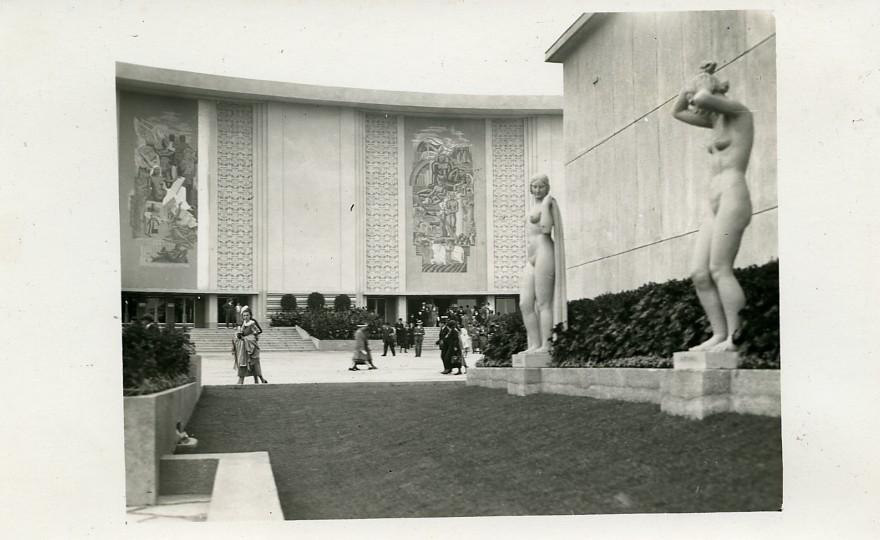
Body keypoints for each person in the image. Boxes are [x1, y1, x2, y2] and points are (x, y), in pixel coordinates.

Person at [672, 61, 754, 352]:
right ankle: (719, 335)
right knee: (700, 273)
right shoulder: (714, 122)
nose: (695, 103)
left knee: (720, 268)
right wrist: (689, 84)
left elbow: (704, 99)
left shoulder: (740, 113)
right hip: (713, 198)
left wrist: (702, 82)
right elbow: (677, 111)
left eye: (697, 96)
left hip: (733, 191)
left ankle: (735, 338)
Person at [519, 174, 567, 353]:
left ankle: (546, 345)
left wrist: (547, 205)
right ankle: (534, 344)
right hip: (531, 257)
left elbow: (546, 229)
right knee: (525, 303)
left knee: (543, 303)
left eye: (541, 187)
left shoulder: (549, 203)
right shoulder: (532, 207)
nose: (537, 190)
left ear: (547, 188)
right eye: (534, 187)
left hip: (545, 251)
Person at [232, 306, 267, 384]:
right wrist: (238, 336)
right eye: (244, 315)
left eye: (247, 315)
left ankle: (260, 379)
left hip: (252, 347)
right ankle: (241, 380)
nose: (245, 317)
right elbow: (241, 333)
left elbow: (257, 332)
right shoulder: (243, 324)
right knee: (243, 363)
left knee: (254, 363)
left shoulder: (252, 323)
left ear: (250, 315)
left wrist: (248, 337)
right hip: (244, 348)